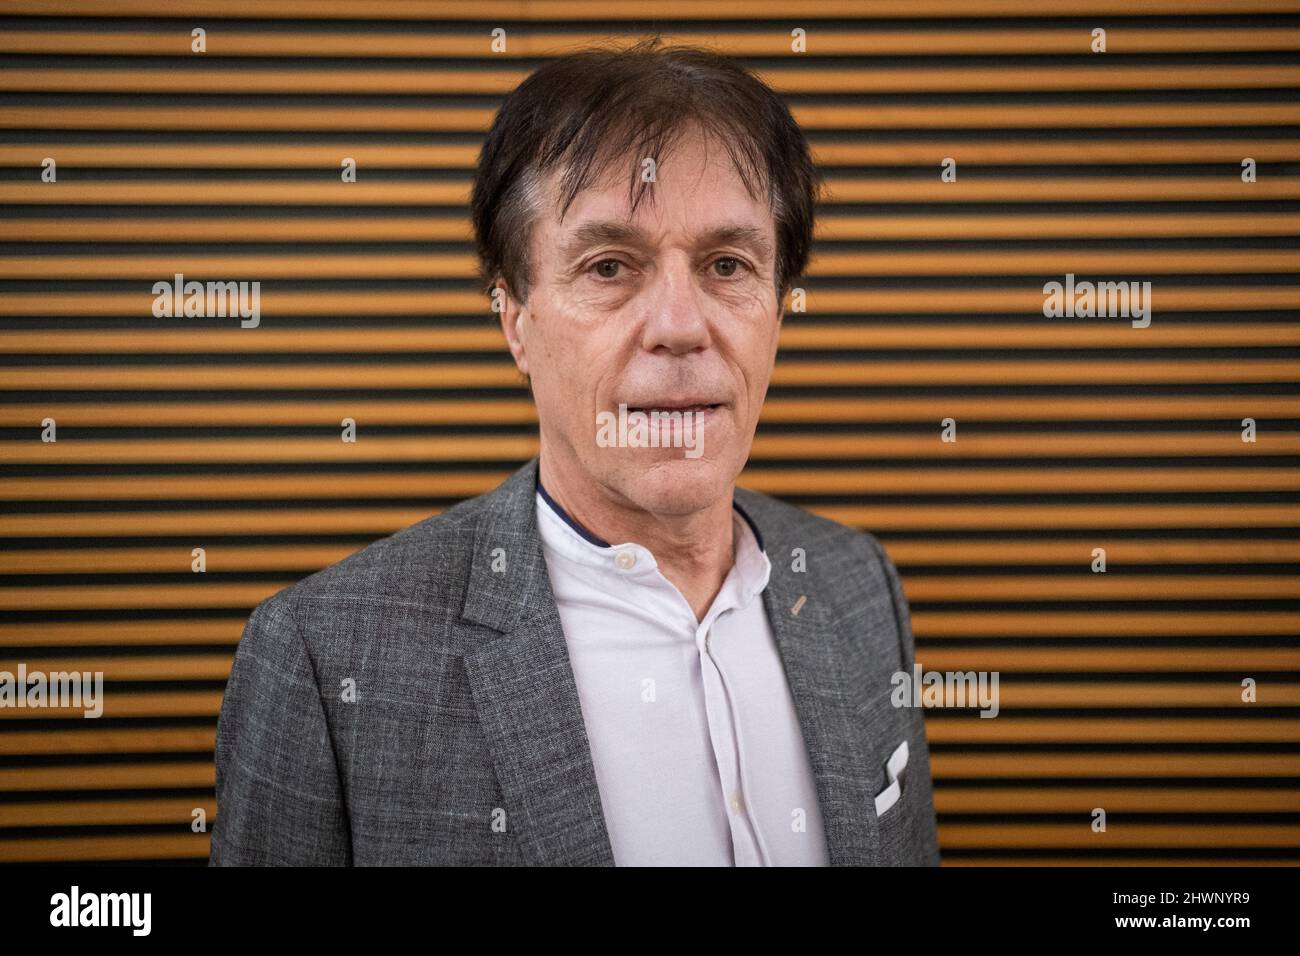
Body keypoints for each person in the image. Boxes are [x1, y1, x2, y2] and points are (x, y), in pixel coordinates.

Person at [210, 38, 940, 866]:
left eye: (728, 264)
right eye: (608, 266)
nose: (679, 327)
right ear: (514, 319)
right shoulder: (324, 660)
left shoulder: (858, 585)